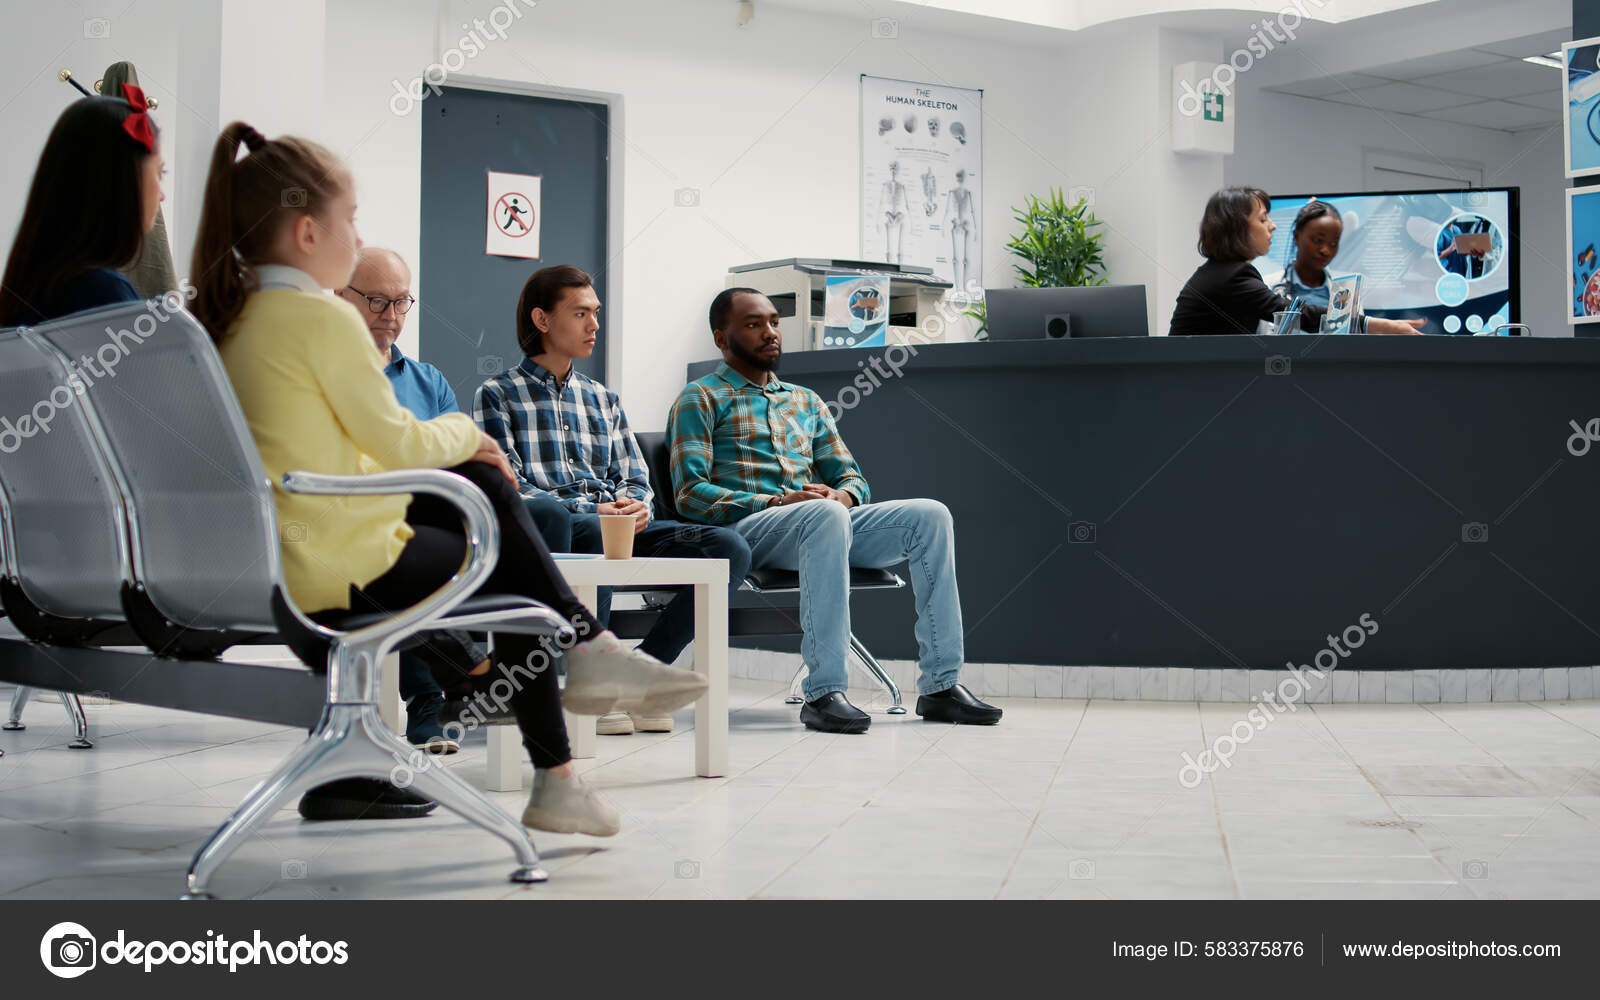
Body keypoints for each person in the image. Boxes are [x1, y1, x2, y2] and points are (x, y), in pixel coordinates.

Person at [191, 121, 706, 834]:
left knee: (492, 501)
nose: (355, 232)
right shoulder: (322, 320)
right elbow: (395, 439)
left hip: (282, 560)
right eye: (351, 217)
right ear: (308, 233)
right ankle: (579, 695)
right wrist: (472, 436)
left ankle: (583, 677)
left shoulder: (229, 319)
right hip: (342, 566)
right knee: (497, 515)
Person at [666, 287, 1001, 734]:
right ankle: (824, 693)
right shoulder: (700, 398)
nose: (769, 333)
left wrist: (841, 496)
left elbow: (852, 478)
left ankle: (941, 687)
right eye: (753, 324)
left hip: (823, 523)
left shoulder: (805, 401)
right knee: (824, 517)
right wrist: (776, 501)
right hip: (749, 529)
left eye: (773, 322)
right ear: (721, 338)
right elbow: (690, 494)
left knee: (929, 514)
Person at [474, 265, 751, 737]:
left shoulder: (605, 400)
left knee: (729, 549)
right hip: (562, 528)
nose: (594, 326)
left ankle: (635, 678)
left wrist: (636, 505)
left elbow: (635, 475)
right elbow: (510, 487)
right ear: (542, 320)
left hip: (621, 527)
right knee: (571, 527)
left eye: (596, 313)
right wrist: (593, 512)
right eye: (580, 313)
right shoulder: (498, 395)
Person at [335, 248, 509, 754]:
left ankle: (512, 668)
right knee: (409, 536)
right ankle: (442, 693)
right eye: (375, 301)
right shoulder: (332, 372)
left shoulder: (427, 380)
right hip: (365, 518)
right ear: (341, 297)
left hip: (431, 505)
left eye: (401, 302)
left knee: (489, 511)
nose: (390, 316)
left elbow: (459, 456)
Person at [0, 88, 165, 326]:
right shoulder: (104, 294)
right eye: (160, 173)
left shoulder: (27, 290)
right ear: (123, 182)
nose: (162, 195)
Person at [1169, 186, 1325, 336]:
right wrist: (1343, 312)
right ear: (1238, 228)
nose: (1273, 226)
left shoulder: (1219, 271)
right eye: (1263, 219)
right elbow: (1292, 314)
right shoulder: (1234, 276)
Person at [1268, 200, 1424, 335]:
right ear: (1296, 236)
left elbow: (1354, 345)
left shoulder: (1347, 291)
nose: (1325, 250)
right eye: (1317, 240)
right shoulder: (1268, 285)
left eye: (1333, 243)